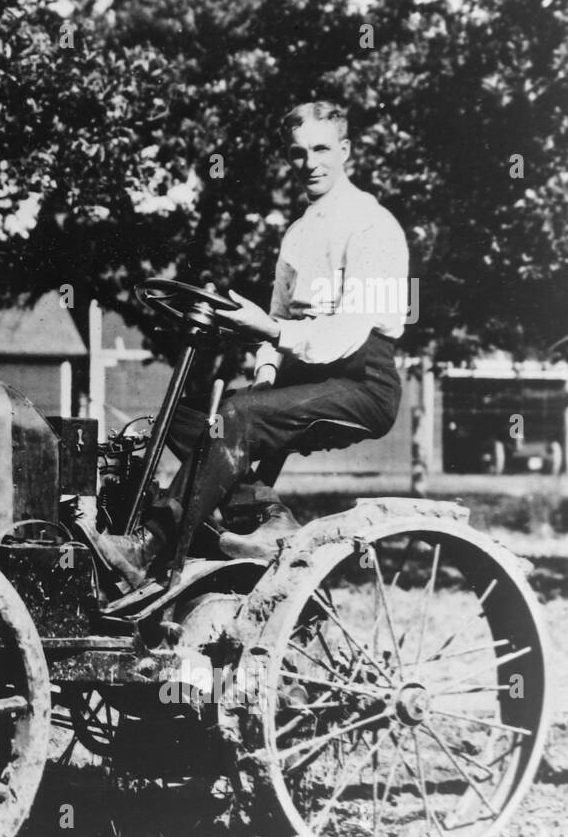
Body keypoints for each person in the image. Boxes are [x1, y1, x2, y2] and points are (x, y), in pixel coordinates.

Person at [92, 100, 409, 586]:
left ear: (345, 150)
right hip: (306, 372)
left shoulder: (373, 226)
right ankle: (269, 516)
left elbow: (346, 333)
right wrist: (266, 369)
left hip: (362, 382)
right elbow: (281, 316)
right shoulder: (300, 234)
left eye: (321, 149)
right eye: (297, 153)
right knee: (183, 416)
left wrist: (270, 334)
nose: (310, 164)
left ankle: (147, 546)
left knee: (237, 417)